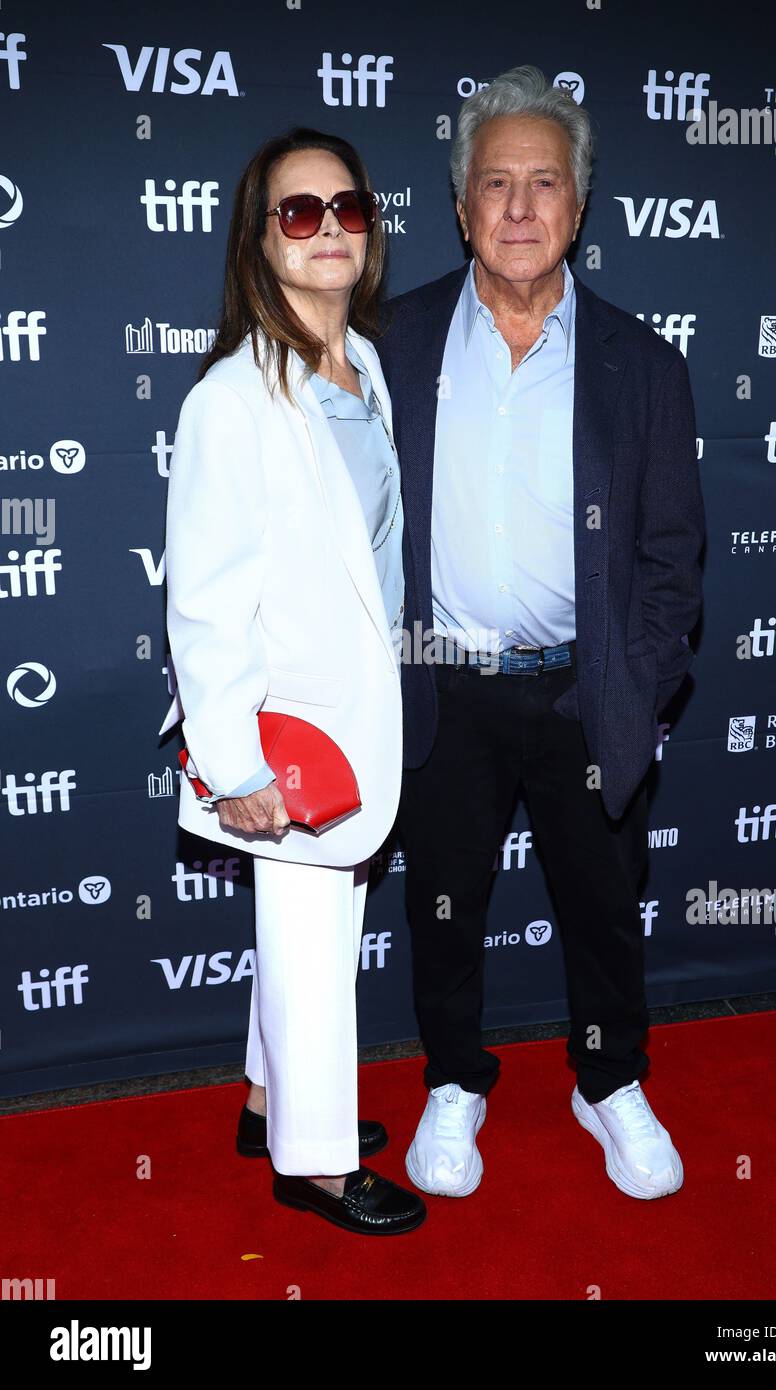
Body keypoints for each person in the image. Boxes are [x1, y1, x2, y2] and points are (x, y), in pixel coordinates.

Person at [377, 66, 706, 1201]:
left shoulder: (642, 362)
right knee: (442, 902)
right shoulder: (389, 344)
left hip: (584, 689)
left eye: (544, 184)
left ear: (578, 204)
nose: (519, 209)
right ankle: (454, 1079)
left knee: (604, 907)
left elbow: (671, 557)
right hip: (442, 690)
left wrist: (638, 683)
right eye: (495, 184)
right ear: (461, 203)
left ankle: (606, 1078)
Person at [158, 126, 425, 1236]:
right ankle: (310, 1161)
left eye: (347, 209)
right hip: (281, 731)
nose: (328, 231)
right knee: (314, 942)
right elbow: (203, 601)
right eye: (298, 212)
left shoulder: (362, 366)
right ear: (261, 240)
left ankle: (269, 1099)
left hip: (355, 714)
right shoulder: (231, 400)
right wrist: (233, 766)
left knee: (316, 919)